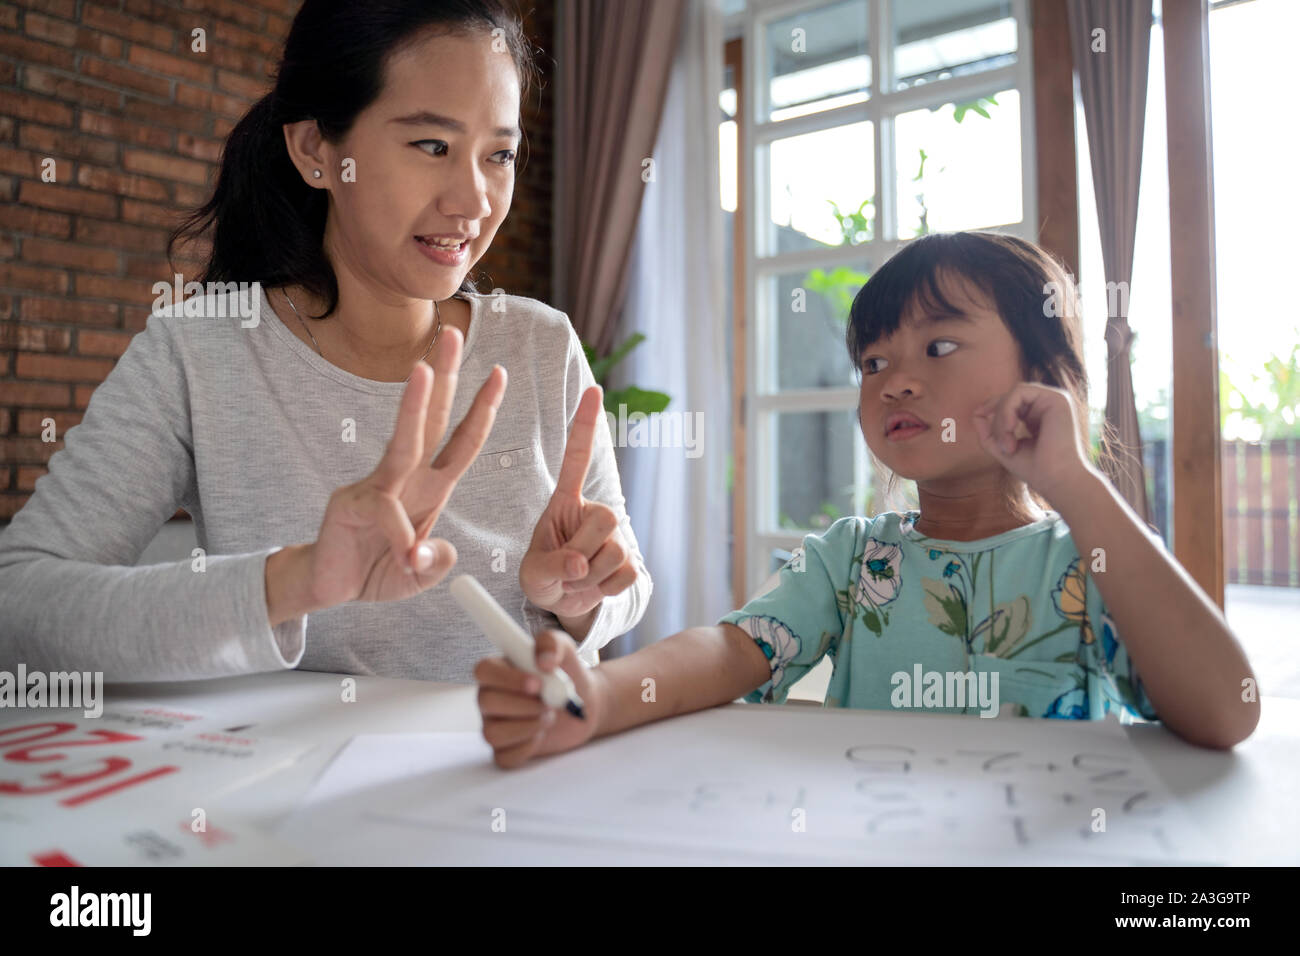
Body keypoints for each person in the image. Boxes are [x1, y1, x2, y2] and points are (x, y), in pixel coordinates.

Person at [0, 0, 651, 681]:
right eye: (432, 145)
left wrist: (578, 594)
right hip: (293, 778)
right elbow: (19, 606)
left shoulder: (541, 344)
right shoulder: (199, 355)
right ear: (316, 149)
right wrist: (299, 579)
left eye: (499, 154)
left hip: (520, 766)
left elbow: (628, 587)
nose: (475, 200)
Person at [475, 231, 1260, 766]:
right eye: (874, 362)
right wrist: (599, 697)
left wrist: (1076, 483)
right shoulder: (854, 560)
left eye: (940, 346)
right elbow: (728, 651)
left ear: (1044, 373)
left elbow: (1228, 711)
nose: (898, 379)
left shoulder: (1089, 557)